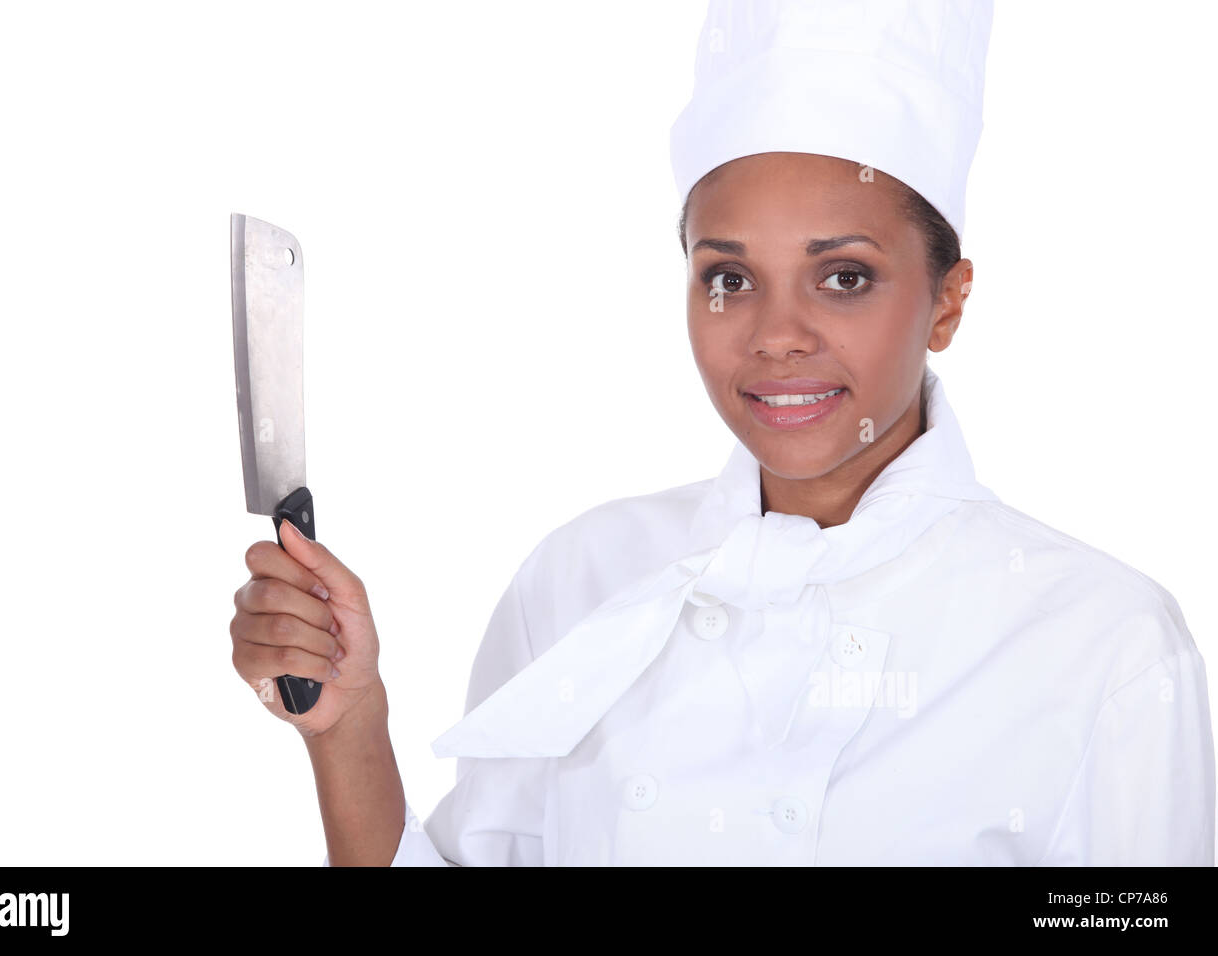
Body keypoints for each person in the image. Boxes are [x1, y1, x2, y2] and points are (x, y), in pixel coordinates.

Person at [228, 0, 1215, 865]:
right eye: (728, 278)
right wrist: (349, 722)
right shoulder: (580, 576)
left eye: (844, 275)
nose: (776, 336)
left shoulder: (1104, 646)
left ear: (947, 302)